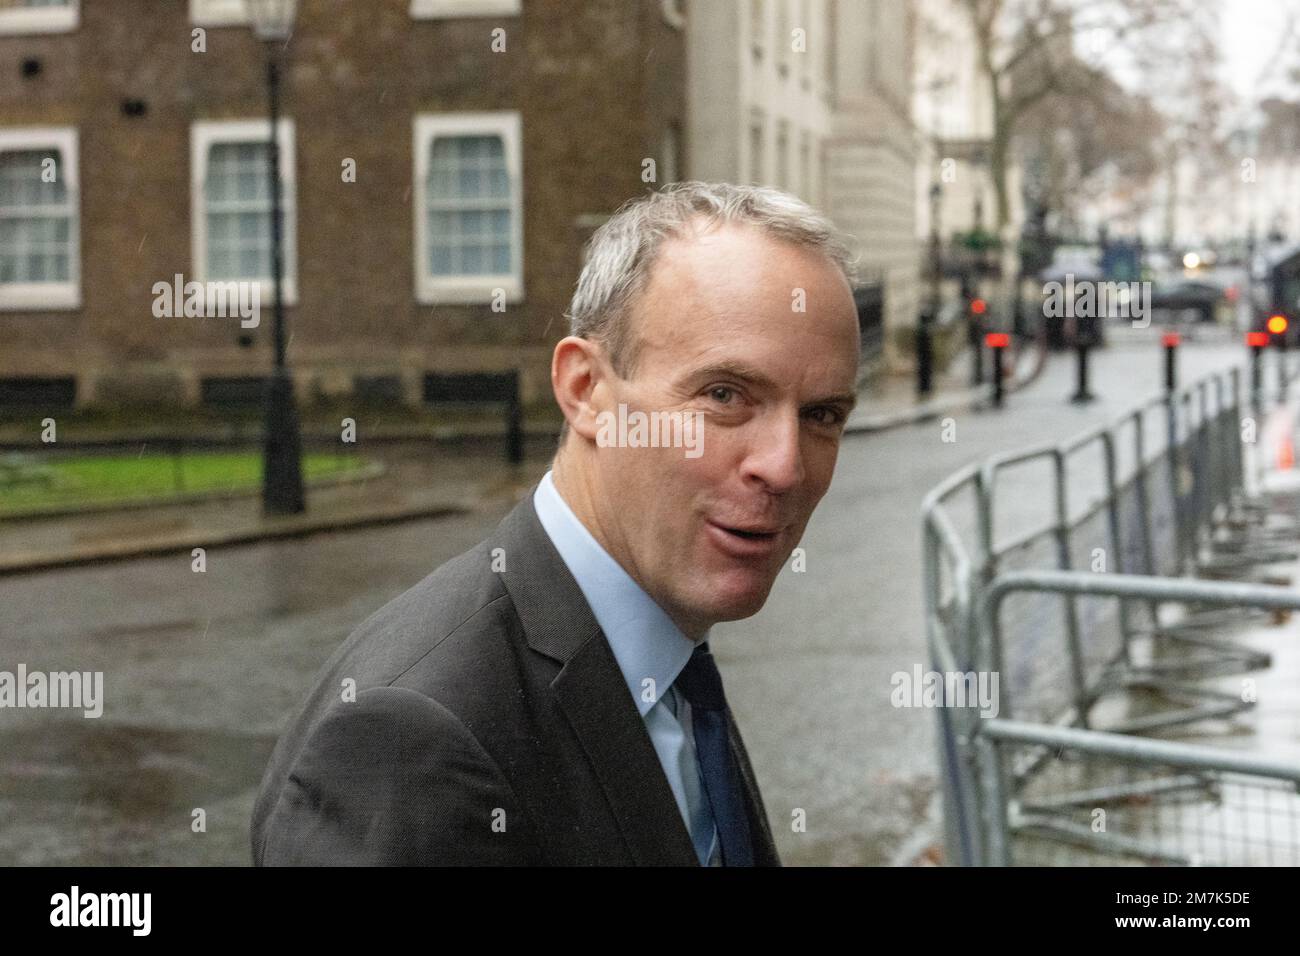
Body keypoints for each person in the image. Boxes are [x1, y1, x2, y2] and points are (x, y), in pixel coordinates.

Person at [251, 182, 861, 866]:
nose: (783, 467)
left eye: (822, 416)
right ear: (586, 391)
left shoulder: (668, 655)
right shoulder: (414, 737)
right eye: (724, 396)